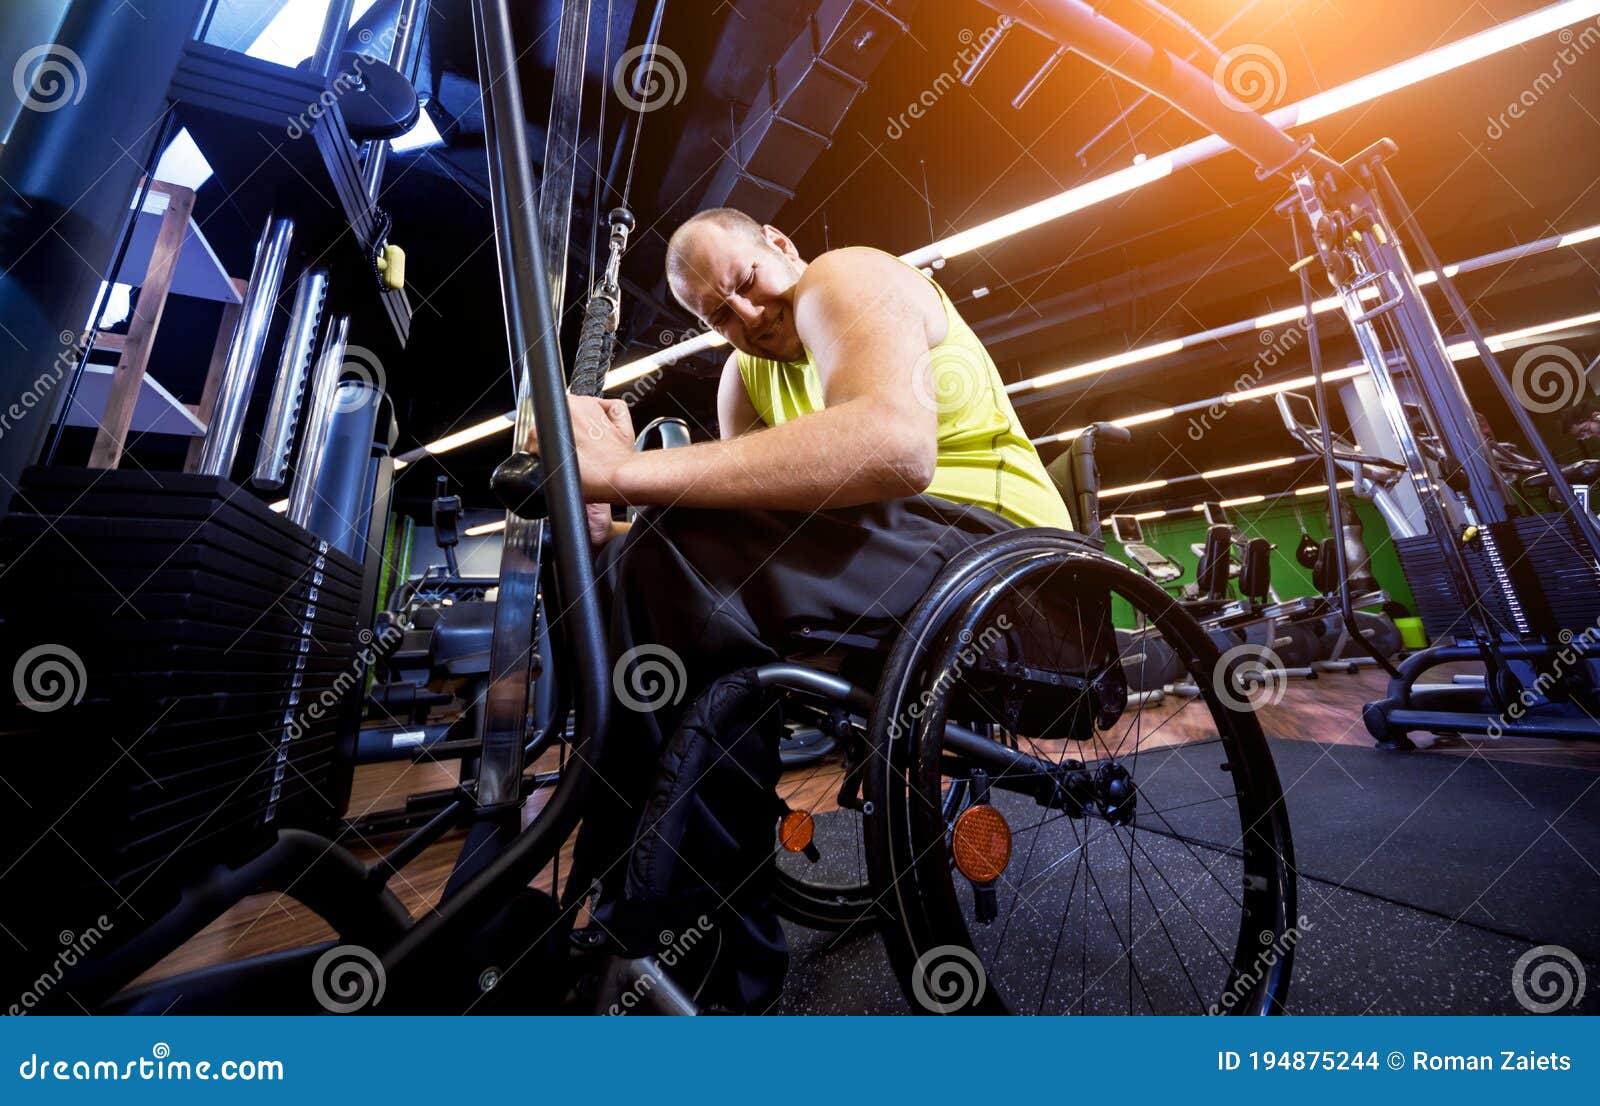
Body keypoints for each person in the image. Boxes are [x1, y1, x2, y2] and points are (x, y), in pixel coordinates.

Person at [529, 207, 1070, 1009]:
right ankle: (671, 946)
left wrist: (619, 475)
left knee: (672, 555)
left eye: (746, 282)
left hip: (1018, 583)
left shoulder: (844, 273)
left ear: (779, 246)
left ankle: (667, 949)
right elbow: (734, 520)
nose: (745, 316)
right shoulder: (741, 378)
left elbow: (894, 444)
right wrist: (602, 520)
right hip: (903, 587)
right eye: (718, 315)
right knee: (642, 579)